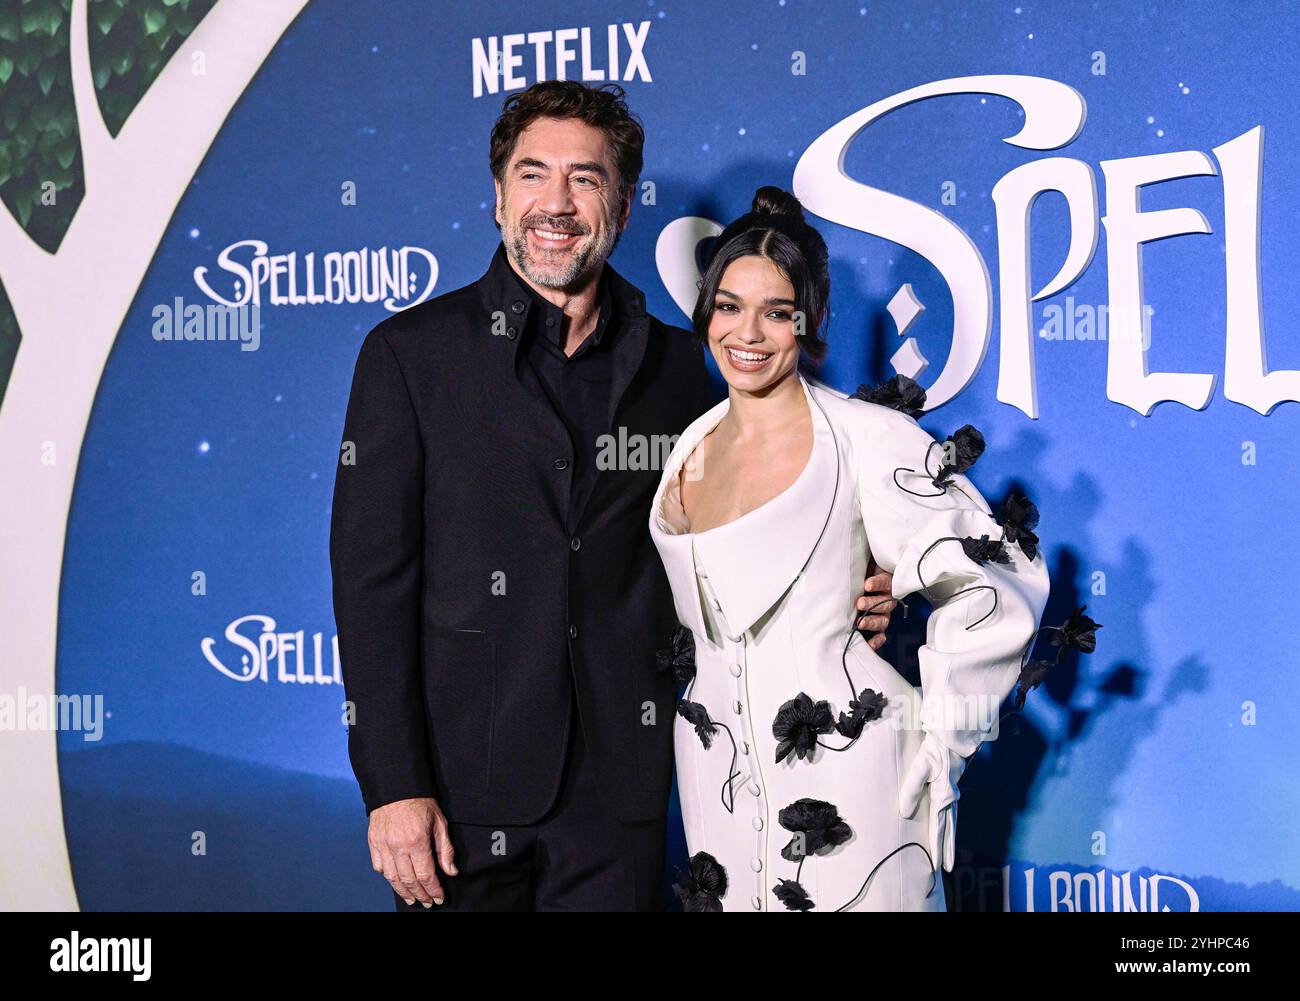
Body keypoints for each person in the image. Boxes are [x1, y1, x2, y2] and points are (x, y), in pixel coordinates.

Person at [329, 82, 900, 911]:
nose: (555, 204)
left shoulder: (679, 368)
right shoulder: (410, 358)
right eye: (532, 175)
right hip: (458, 797)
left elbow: (728, 535)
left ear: (624, 205)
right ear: (497, 197)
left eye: (585, 180)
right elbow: (369, 589)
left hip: (621, 802)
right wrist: (392, 787)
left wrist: (850, 589)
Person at [648, 186, 1051, 912]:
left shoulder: (867, 436)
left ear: (810, 320)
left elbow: (999, 570)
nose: (749, 331)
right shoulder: (689, 449)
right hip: (716, 793)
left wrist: (945, 732)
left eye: (777, 311)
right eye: (730, 305)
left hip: (853, 784)